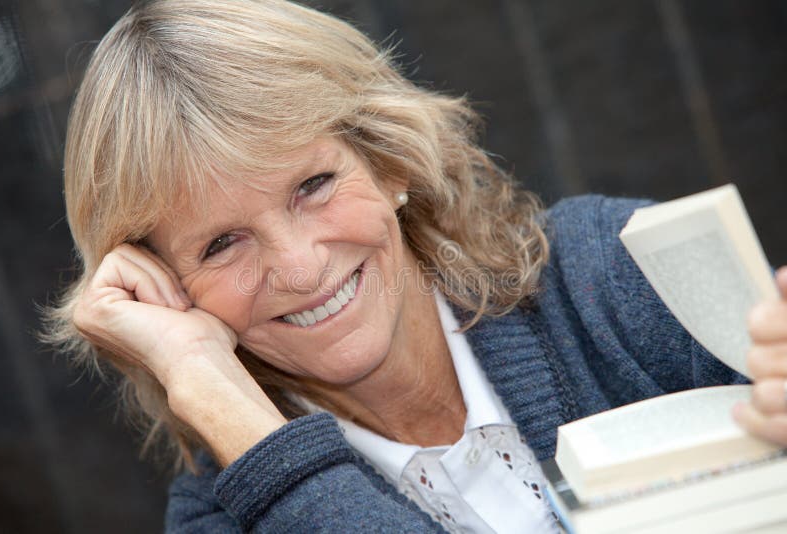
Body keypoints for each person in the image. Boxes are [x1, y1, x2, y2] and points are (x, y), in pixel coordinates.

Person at [44, 0, 787, 532]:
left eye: (313, 186)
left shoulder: (613, 272)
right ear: (168, 295)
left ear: (389, 161)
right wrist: (215, 396)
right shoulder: (221, 518)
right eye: (220, 244)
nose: (300, 267)